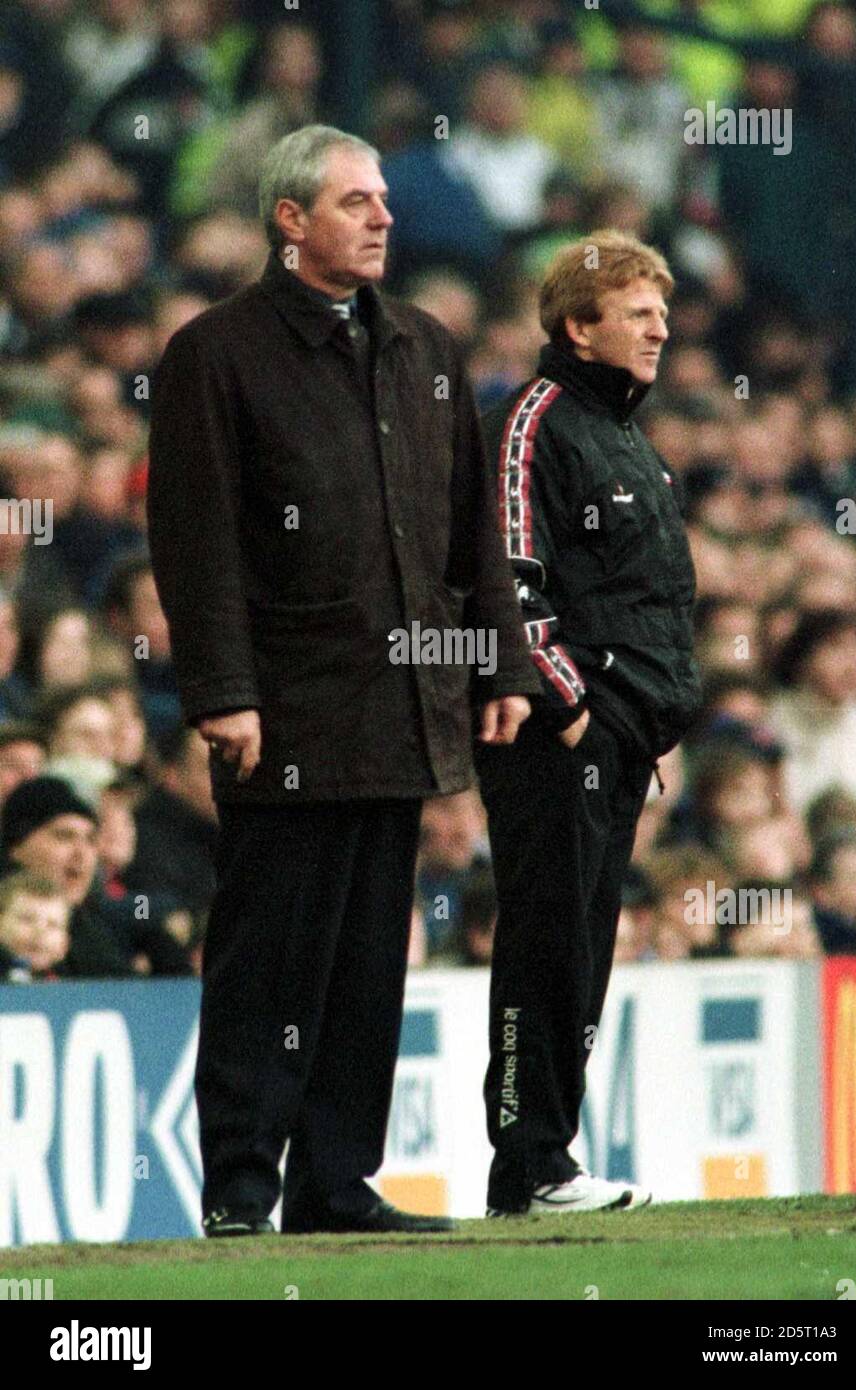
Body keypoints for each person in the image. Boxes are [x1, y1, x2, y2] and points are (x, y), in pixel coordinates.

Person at [147, 124, 536, 1237]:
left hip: (404, 704)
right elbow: (196, 539)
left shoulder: (426, 345)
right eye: (356, 201)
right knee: (270, 958)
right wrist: (221, 688)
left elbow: (473, 529)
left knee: (370, 962)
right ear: (289, 219)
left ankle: (333, 1182)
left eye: (381, 201)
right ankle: (236, 1188)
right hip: (286, 705)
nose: (383, 217)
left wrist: (497, 661)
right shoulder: (215, 353)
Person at [476, 230, 702, 1215]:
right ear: (577, 324)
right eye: (638, 312)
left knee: (586, 941)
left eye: (662, 310)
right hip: (560, 735)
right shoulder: (532, 420)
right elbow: (511, 573)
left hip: (620, 741)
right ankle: (528, 1163)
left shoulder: (625, 437)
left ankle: (546, 1160)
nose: (661, 328)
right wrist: (568, 705)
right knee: (545, 936)